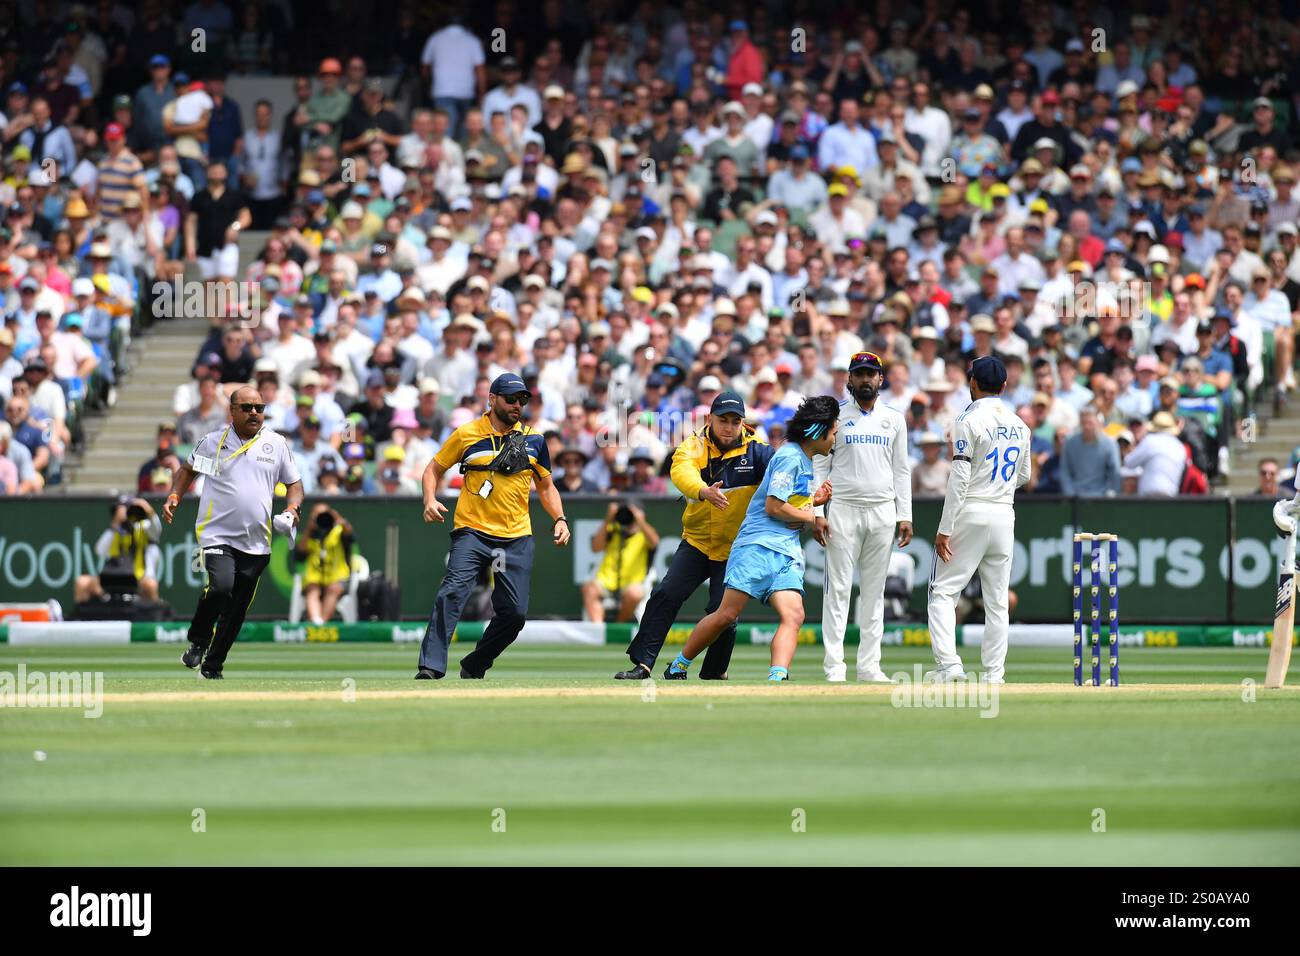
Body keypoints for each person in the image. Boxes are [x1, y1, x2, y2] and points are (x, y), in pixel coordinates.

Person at [664, 395, 838, 682]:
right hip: (758, 546)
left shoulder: (803, 460)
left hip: (785, 550)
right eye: (833, 432)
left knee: (794, 616)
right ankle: (679, 665)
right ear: (817, 432)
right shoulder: (789, 457)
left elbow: (789, 502)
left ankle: (777, 677)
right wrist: (813, 516)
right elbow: (773, 506)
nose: (835, 438)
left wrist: (813, 501)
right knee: (726, 615)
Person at [416, 373, 570, 680]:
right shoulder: (467, 434)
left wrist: (560, 518)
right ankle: (430, 666)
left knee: (514, 614)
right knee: (452, 592)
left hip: (515, 536)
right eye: (510, 399)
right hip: (472, 531)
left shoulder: (535, 440)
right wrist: (429, 499)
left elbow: (546, 486)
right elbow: (434, 469)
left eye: (522, 400)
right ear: (492, 399)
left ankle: (476, 663)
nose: (517, 405)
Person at [614, 390, 776, 680]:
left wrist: (811, 504)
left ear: (743, 423)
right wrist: (703, 491)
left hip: (736, 548)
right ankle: (643, 664)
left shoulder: (760, 452)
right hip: (697, 542)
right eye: (722, 420)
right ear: (710, 419)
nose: (728, 427)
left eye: (734, 421)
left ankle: (715, 671)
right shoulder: (692, 447)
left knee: (723, 613)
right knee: (665, 594)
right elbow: (682, 473)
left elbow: (784, 477)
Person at [163, 386, 304, 679]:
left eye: (259, 407)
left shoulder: (276, 443)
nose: (254, 412)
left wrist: (292, 509)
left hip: (256, 542)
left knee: (236, 610)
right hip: (217, 534)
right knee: (220, 588)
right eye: (247, 407)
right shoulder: (214, 442)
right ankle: (198, 640)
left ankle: (212, 666)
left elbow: (294, 483)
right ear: (232, 411)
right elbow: (187, 470)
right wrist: (174, 496)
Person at [927, 356, 1031, 683]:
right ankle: (994, 674)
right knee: (997, 600)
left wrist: (945, 528)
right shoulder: (1020, 424)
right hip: (1004, 512)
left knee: (943, 592)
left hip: (971, 509)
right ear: (1003, 386)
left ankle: (950, 666)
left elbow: (958, 479)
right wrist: (997, 487)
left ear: (973, 383)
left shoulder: (966, 421)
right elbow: (1024, 475)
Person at [814, 350, 914, 683]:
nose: (865, 380)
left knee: (874, 594)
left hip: (882, 511)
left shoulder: (894, 418)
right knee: (837, 591)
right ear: (849, 380)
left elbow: (901, 469)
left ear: (881, 379)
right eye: (859, 374)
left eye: (871, 374)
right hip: (842, 510)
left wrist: (905, 515)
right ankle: (835, 668)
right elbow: (819, 465)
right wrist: (816, 511)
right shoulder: (836, 417)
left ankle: (870, 666)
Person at [581, 500, 660, 623]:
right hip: (606, 580)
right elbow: (596, 548)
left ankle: (618, 625)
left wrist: (640, 521)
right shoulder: (613, 530)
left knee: (635, 594)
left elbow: (654, 542)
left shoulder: (645, 534)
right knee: (589, 588)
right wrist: (608, 519)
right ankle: (599, 630)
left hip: (632, 583)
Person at [73, 495, 162, 604]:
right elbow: (100, 550)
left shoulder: (143, 526)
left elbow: (156, 531)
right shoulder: (114, 529)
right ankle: (83, 619)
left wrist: (149, 511)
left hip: (138, 578)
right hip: (111, 578)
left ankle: (155, 619)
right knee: (82, 582)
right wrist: (115, 524)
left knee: (151, 585)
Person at [293, 504, 355, 625]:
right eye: (316, 514)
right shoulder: (309, 534)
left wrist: (339, 519)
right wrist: (308, 530)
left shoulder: (339, 530)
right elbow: (299, 555)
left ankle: (321, 625)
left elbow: (350, 535)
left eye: (324, 514)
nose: (320, 517)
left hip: (337, 577)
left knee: (333, 589)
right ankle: (317, 623)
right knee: (312, 590)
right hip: (315, 578)